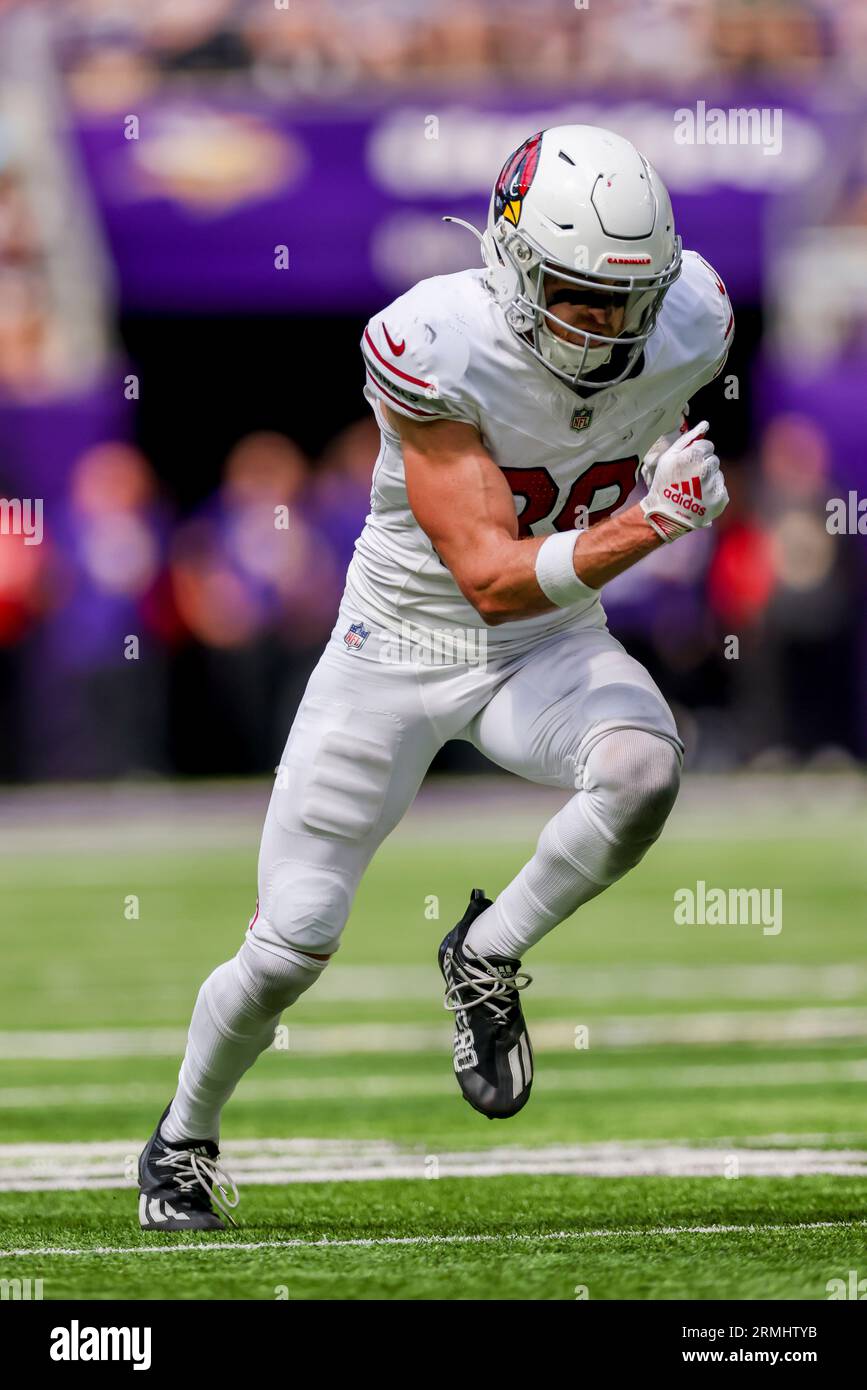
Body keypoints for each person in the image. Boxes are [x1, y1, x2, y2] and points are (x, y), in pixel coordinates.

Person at [137, 124, 734, 1229]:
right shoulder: (433, 341)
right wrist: (654, 517)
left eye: (625, 298)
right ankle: (182, 1136)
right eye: (576, 294)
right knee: (289, 946)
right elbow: (494, 576)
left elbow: (603, 437)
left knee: (645, 769)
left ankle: (487, 951)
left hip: (546, 649)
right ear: (511, 262)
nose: (603, 325)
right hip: (397, 649)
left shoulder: (691, 317)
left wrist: (646, 468)